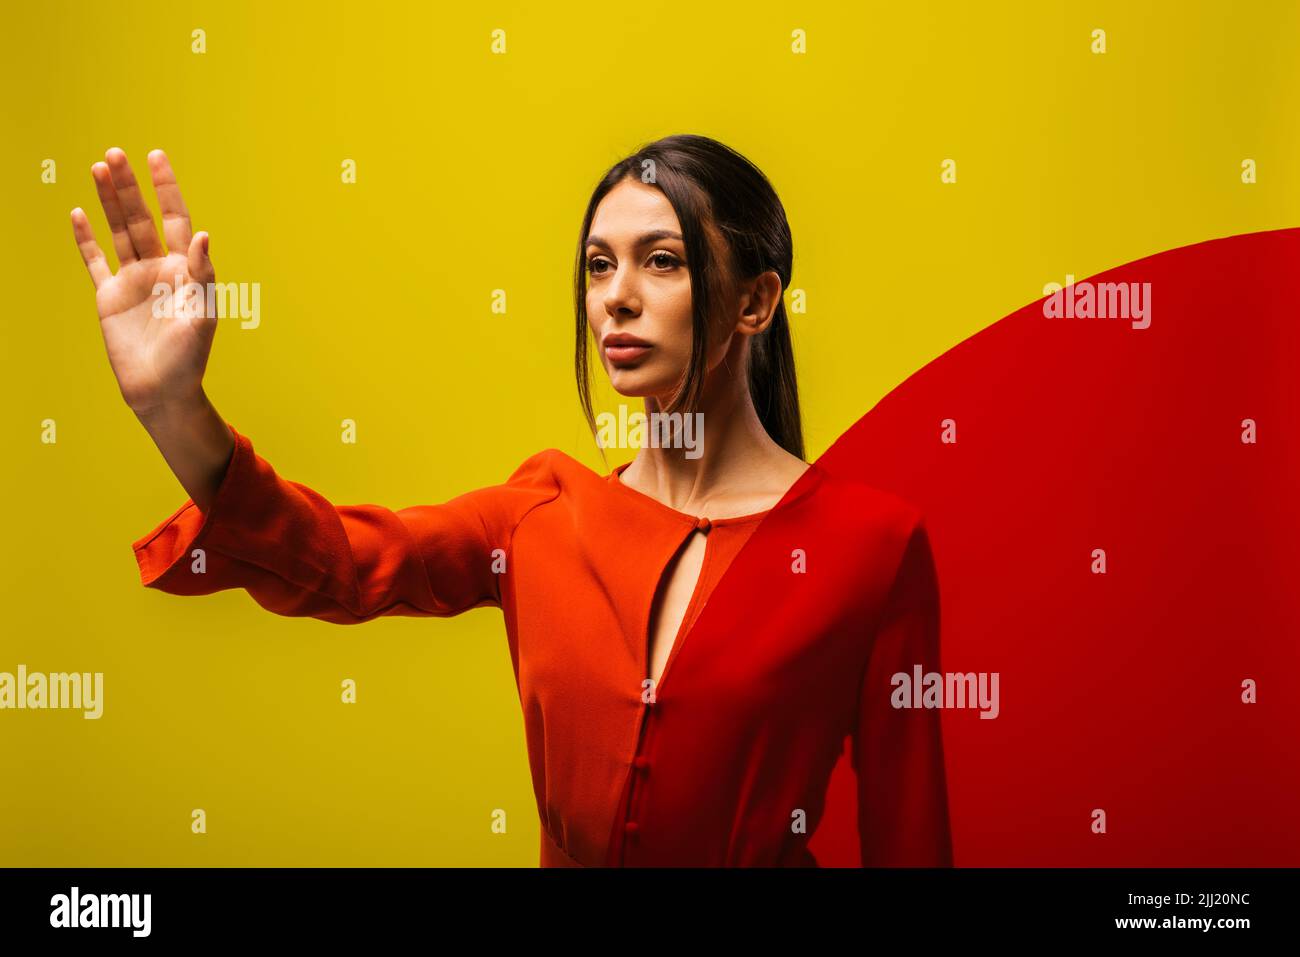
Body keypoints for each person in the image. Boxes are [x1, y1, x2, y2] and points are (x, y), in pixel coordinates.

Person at [70, 134, 953, 867]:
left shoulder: (871, 547)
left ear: (757, 300)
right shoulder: (540, 514)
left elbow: (912, 842)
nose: (616, 297)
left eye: (664, 261)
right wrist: (174, 406)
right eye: (599, 264)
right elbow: (336, 559)